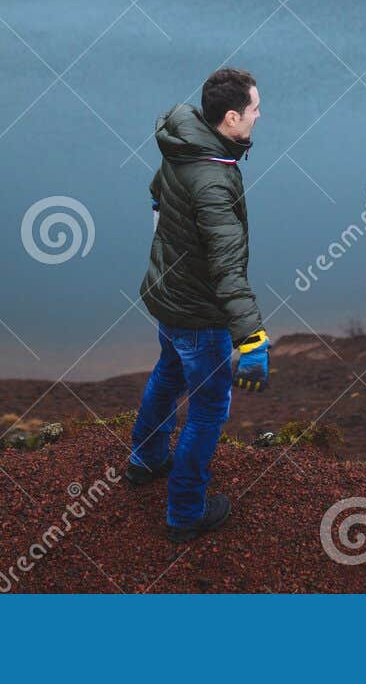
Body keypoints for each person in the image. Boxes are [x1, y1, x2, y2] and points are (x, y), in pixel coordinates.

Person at [127, 67, 269, 542]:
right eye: (253, 110)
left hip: (167, 298)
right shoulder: (213, 181)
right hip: (199, 315)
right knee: (209, 408)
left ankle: (145, 460)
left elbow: (155, 194)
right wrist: (252, 339)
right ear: (230, 118)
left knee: (168, 373)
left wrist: (170, 253)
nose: (259, 116)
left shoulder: (182, 145)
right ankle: (186, 511)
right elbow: (228, 269)